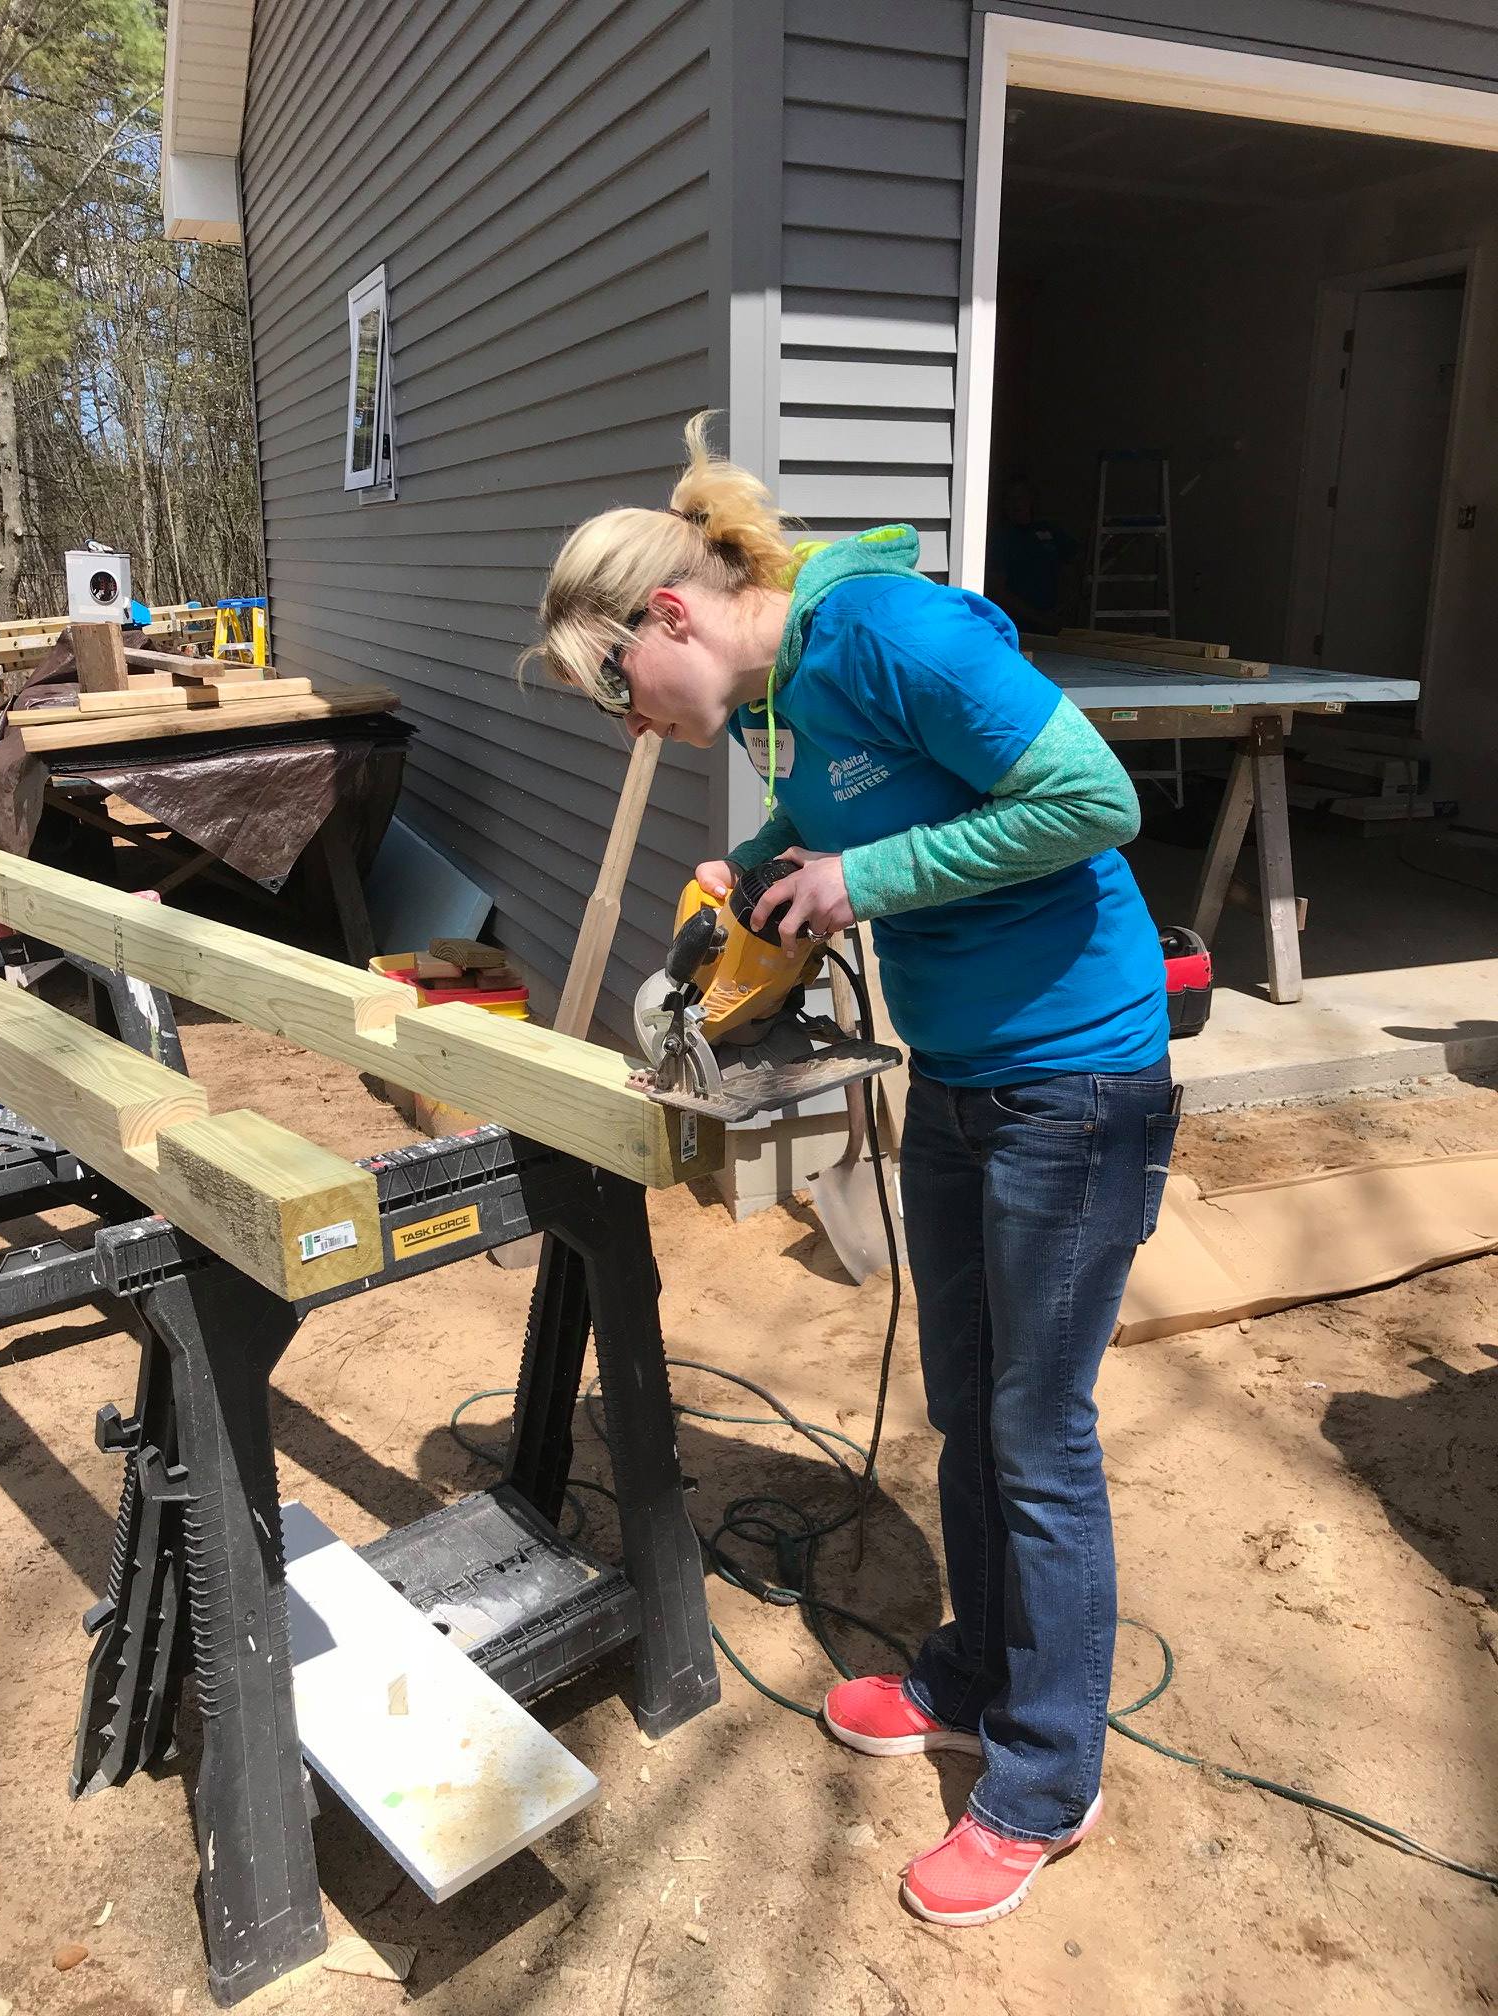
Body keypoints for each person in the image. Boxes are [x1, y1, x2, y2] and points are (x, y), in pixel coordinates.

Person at [520, 415, 1176, 1929]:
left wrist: (855, 881)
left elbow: (1093, 801)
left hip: (1076, 1075)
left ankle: (1045, 1777)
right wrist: (758, 866)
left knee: (1039, 1432)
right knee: (967, 1403)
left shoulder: (881, 628)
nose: (629, 722)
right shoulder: (775, 706)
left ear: (669, 614)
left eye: (618, 685)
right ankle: (971, 1674)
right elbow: (836, 818)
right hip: (957, 1075)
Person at [987, 475, 1078, 637]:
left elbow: (1072, 570)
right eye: (1010, 499)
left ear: (1031, 499)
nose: (1015, 504)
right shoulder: (1000, 539)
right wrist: (1040, 619)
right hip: (1016, 627)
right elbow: (998, 590)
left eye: (1020, 497)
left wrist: (1062, 610)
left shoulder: (1049, 531)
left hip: (1055, 622)